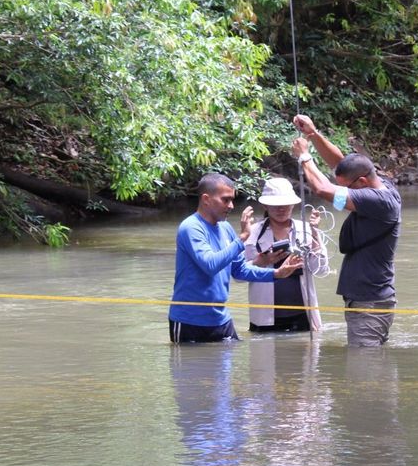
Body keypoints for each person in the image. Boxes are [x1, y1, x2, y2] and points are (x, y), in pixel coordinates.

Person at [291, 114, 401, 346]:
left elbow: (321, 188)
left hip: (369, 301)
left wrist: (304, 156)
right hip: (369, 298)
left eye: (346, 187)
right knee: (370, 370)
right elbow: (340, 165)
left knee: (364, 370)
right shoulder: (380, 185)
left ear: (361, 183)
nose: (343, 190)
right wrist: (313, 134)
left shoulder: (378, 202)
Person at [169, 172, 303, 343]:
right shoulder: (191, 227)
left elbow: (240, 270)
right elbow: (210, 265)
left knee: (226, 368)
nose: (231, 206)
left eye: (232, 200)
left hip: (221, 319)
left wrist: (276, 273)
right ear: (206, 199)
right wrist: (242, 239)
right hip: (189, 321)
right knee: (195, 369)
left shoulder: (225, 228)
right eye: (226, 200)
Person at [241, 177, 330, 332]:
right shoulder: (252, 232)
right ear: (265, 205)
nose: (281, 209)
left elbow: (321, 270)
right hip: (264, 318)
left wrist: (315, 233)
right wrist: (260, 261)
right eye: (276, 205)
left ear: (293, 204)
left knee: (307, 355)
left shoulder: (307, 229)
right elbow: (238, 275)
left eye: (285, 204)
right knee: (263, 354)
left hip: (304, 316)